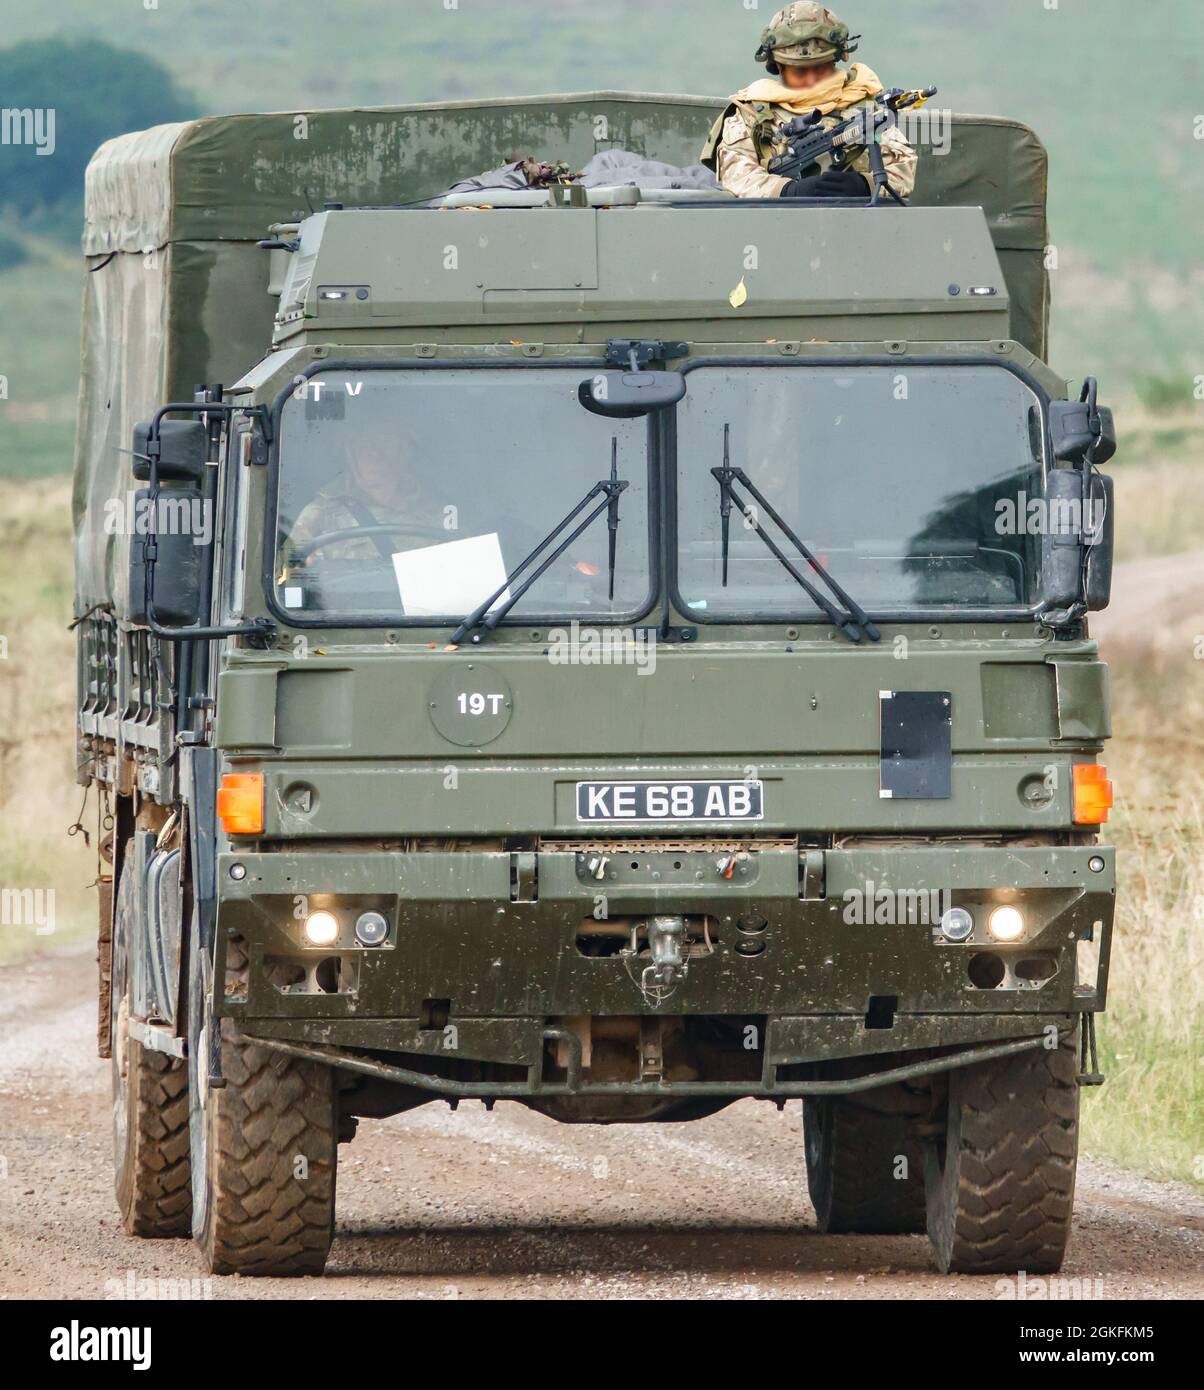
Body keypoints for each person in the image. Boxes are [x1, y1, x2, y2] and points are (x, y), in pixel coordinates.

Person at [701, 2, 917, 202]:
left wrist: (864, 185)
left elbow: (903, 169)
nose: (811, 80)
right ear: (778, 67)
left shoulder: (864, 107)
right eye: (800, 71)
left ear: (836, 61)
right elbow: (736, 173)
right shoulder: (753, 111)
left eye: (820, 69)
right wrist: (787, 191)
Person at [286, 433, 447, 567]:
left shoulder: (440, 511)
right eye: (365, 443)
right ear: (350, 454)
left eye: (384, 441)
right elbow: (291, 562)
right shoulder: (322, 510)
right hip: (340, 603)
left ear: (404, 452)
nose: (374, 453)